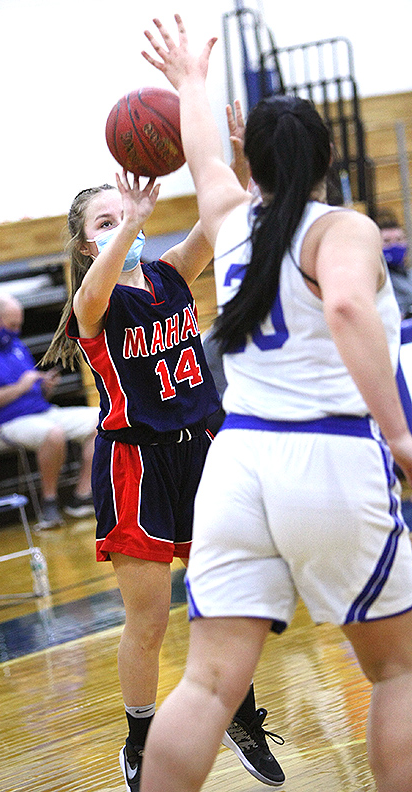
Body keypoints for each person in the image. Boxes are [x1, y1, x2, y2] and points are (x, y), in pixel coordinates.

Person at [140, 14, 412, 792]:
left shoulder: (228, 221)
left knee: (205, 686)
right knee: (397, 673)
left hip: (237, 465)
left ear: (250, 163)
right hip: (329, 456)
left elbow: (203, 160)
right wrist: (401, 435)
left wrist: (189, 79)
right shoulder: (342, 227)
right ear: (329, 157)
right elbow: (350, 311)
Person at [41, 174, 285, 788]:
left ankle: (239, 714)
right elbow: (92, 297)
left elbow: (216, 221)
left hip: (200, 451)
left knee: (226, 597)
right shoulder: (92, 302)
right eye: (104, 221)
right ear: (84, 246)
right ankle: (141, 740)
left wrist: (234, 168)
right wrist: (128, 226)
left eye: (126, 212)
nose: (125, 221)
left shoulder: (171, 274)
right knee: (149, 620)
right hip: (135, 465)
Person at [0, 294, 99, 529]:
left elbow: (31, 394)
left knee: (101, 420)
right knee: (53, 434)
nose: (17, 330)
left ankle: (82, 496)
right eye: (12, 325)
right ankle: (49, 503)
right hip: (1, 425)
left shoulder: (15, 346)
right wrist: (20, 387)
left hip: (41, 411)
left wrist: (45, 388)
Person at [377, 211, 412, 318]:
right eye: (387, 241)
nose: (395, 246)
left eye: (399, 240)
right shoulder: (376, 281)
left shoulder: (409, 274)